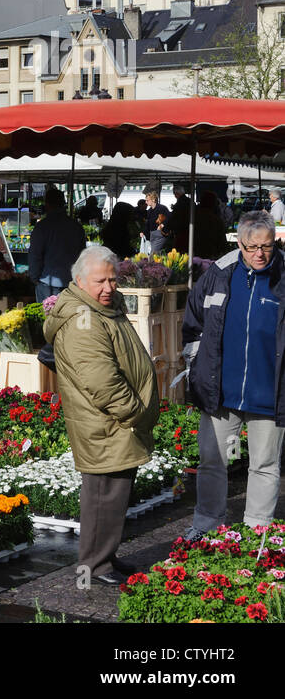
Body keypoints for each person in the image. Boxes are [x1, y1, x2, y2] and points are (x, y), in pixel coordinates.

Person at [43, 245, 159, 585]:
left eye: (112, 279)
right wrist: (136, 414)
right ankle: (92, 567)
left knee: (113, 497)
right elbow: (102, 382)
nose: (108, 287)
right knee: (102, 497)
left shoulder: (101, 308)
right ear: (79, 281)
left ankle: (104, 558)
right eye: (100, 281)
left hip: (115, 423)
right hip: (107, 424)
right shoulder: (83, 320)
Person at [180, 211, 285, 541]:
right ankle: (208, 522)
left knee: (264, 465)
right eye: (251, 246)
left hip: (269, 394)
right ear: (238, 243)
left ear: (275, 243)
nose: (259, 254)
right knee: (213, 461)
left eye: (266, 246)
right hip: (221, 393)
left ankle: (257, 531)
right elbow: (193, 321)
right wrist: (197, 366)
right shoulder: (220, 273)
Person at [28, 187, 86, 302]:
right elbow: (82, 255)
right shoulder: (76, 226)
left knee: (48, 318)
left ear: (47, 204)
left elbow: (35, 255)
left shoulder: (42, 227)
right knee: (69, 318)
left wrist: (34, 278)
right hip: (72, 281)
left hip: (47, 282)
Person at [192, 191, 229, 261]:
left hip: (197, 249)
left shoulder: (194, 215)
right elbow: (221, 239)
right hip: (211, 251)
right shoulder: (215, 218)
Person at [143, 186, 171, 254]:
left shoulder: (162, 208)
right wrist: (143, 232)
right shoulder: (149, 211)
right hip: (152, 234)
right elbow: (147, 224)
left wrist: (162, 225)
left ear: (153, 199)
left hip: (161, 234)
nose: (146, 202)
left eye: (147, 200)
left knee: (153, 253)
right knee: (157, 254)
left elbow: (169, 217)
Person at [170, 185, 192, 253]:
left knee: (180, 251)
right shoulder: (190, 201)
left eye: (175, 194)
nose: (175, 196)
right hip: (190, 229)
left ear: (177, 194)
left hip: (181, 230)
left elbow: (175, 217)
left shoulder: (180, 203)